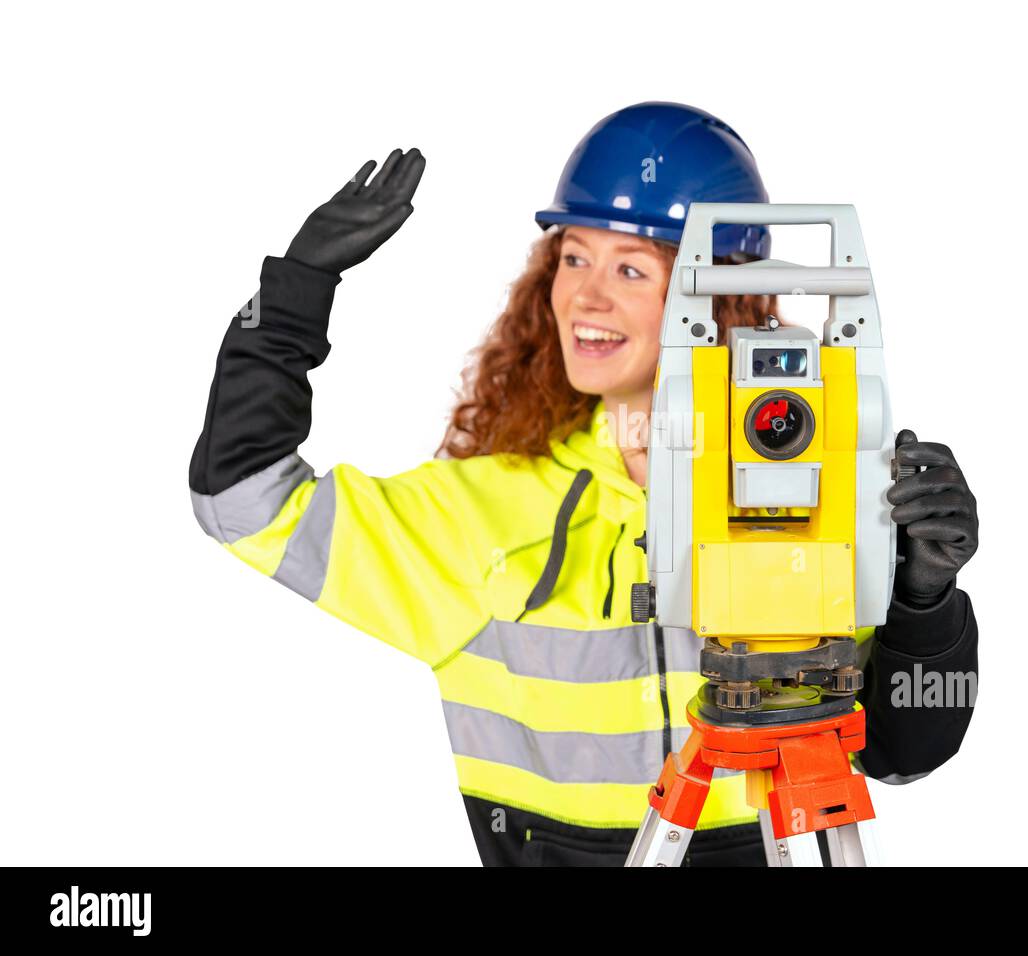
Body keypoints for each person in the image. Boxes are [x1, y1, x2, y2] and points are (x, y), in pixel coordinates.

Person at [190, 102, 980, 866]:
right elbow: (241, 497)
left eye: (630, 268)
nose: (585, 297)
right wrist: (293, 295)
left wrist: (925, 603)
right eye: (573, 258)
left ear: (720, 293)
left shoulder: (816, 493)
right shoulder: (482, 512)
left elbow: (907, 755)